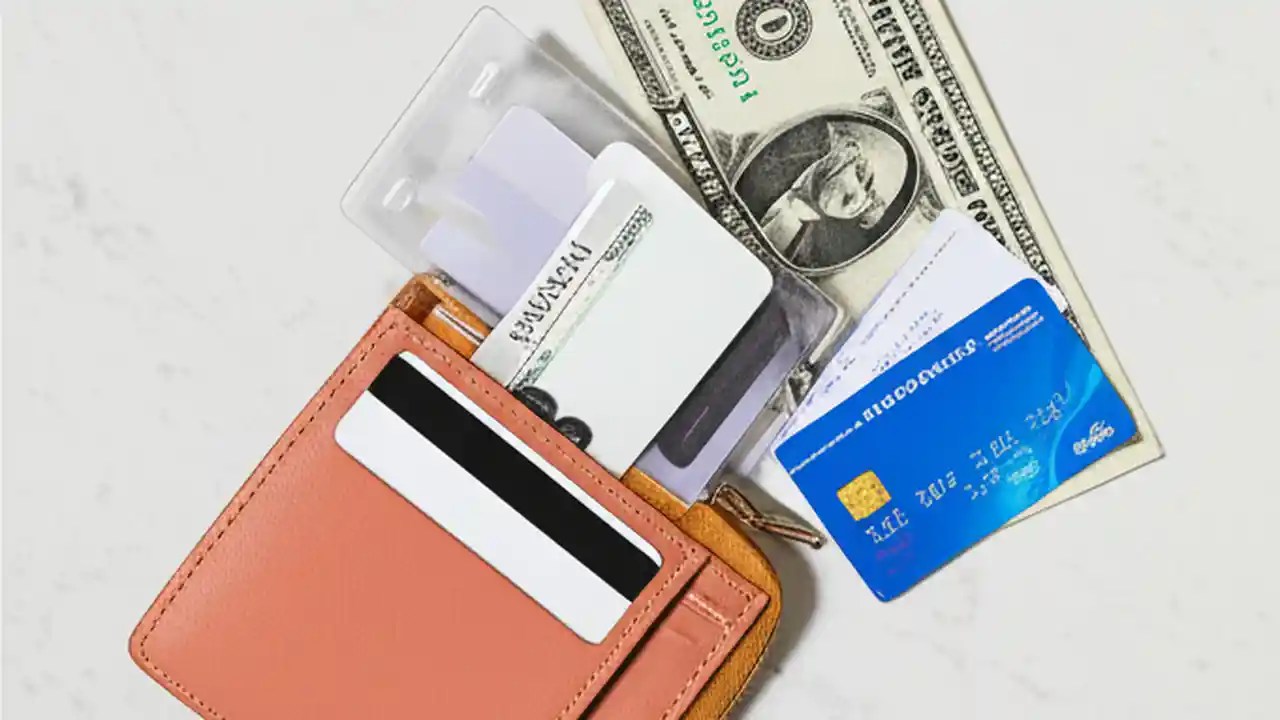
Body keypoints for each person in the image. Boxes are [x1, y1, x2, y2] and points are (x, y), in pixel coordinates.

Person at [761, 120, 889, 270]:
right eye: (863, 174)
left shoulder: (807, 249)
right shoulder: (804, 138)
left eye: (863, 213)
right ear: (850, 149)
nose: (858, 202)